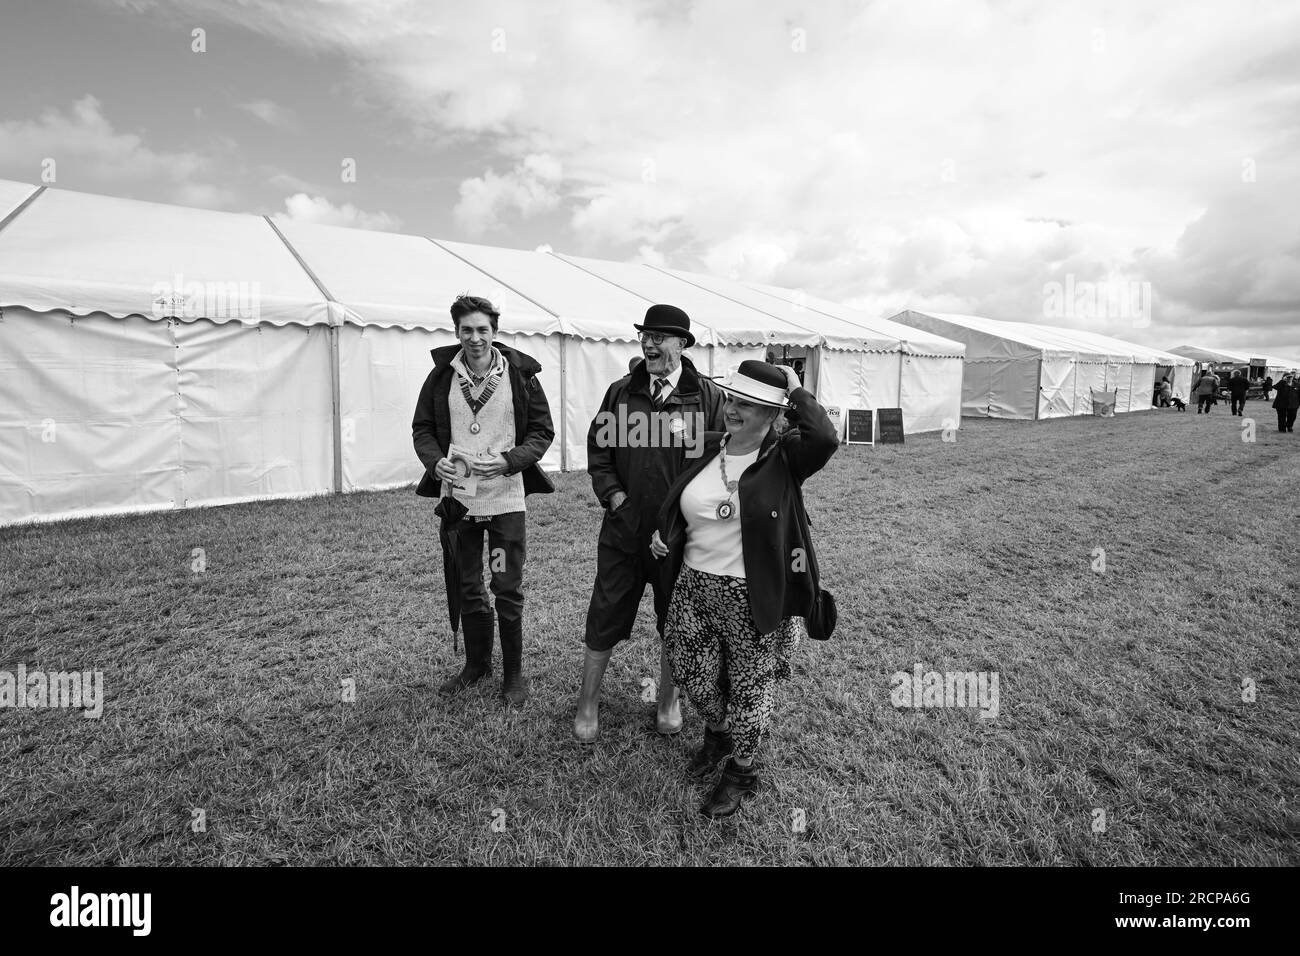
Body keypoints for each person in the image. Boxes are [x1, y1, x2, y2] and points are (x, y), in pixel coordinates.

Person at [650, 361, 838, 818]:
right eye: (733, 399)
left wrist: (794, 389)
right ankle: (718, 731)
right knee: (690, 669)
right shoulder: (708, 446)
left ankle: (742, 771)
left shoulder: (785, 457)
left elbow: (825, 437)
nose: (732, 410)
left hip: (752, 595)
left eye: (748, 405)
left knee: (751, 686)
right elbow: (682, 497)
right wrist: (665, 529)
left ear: (773, 415)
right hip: (693, 585)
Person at [575, 305, 727, 742]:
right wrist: (616, 498)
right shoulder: (621, 394)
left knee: (674, 619)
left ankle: (668, 700)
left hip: (678, 539)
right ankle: (587, 702)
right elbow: (599, 453)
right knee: (604, 612)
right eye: (645, 335)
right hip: (624, 531)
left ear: (682, 344)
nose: (650, 344)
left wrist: (682, 524)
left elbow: (718, 467)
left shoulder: (708, 399)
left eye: (660, 337)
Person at [412, 295, 555, 706]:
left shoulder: (520, 375)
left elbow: (542, 433)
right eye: (466, 330)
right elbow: (422, 428)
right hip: (459, 500)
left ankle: (513, 675)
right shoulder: (441, 377)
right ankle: (477, 665)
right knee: (468, 584)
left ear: (495, 330)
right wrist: (435, 461)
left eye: (482, 330)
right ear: (457, 331)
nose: (475, 338)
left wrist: (510, 461)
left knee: (506, 585)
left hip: (505, 500)